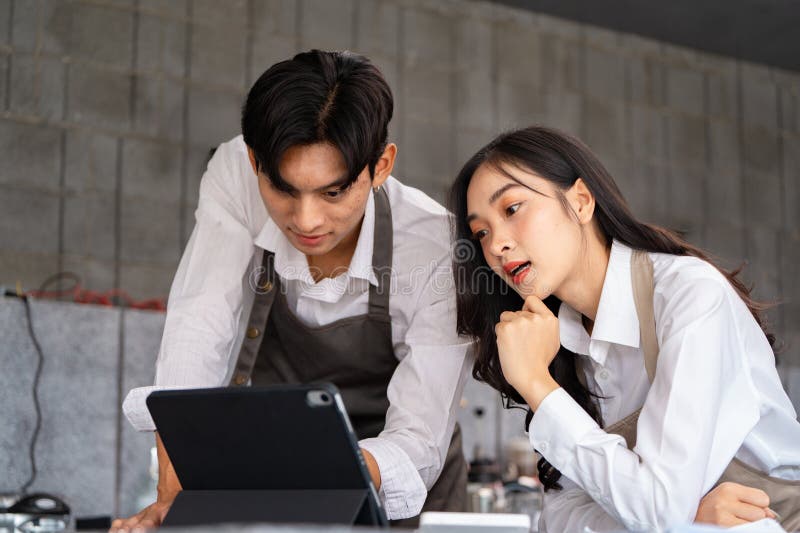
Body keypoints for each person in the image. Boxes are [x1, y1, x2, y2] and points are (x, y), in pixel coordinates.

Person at [111, 50, 472, 531]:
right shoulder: (235, 177)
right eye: (283, 189)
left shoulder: (434, 248)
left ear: (380, 165)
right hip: (270, 481)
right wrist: (176, 500)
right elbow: (198, 328)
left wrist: (302, 481)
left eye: (333, 192)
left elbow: (418, 438)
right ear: (255, 162)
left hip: (408, 499)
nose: (305, 221)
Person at [447, 126, 800, 532]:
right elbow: (558, 518)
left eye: (512, 209)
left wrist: (537, 385)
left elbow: (657, 509)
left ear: (580, 201)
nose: (496, 245)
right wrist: (689, 514)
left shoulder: (689, 296)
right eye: (482, 233)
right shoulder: (561, 341)